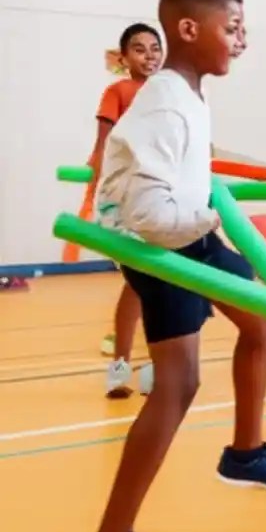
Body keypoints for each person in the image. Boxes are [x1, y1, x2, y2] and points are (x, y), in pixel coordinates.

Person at [76, 0, 266, 532]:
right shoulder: (164, 103)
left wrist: (238, 181)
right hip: (160, 249)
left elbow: (188, 170)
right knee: (178, 385)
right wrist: (226, 224)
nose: (242, 40)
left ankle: (245, 452)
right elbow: (151, 212)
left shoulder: (186, 93)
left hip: (183, 235)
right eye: (232, 28)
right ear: (188, 28)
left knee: (261, 324)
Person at [95, 23, 163, 397]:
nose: (149, 55)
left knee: (149, 283)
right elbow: (102, 147)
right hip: (124, 200)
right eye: (140, 49)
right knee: (140, 281)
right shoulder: (118, 91)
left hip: (158, 199)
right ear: (124, 58)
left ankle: (151, 363)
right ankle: (121, 363)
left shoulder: (168, 94)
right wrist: (97, 194)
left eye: (155, 48)